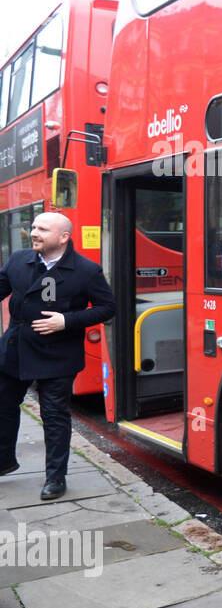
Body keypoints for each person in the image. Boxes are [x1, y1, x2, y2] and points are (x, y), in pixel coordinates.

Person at [0, 212, 116, 499]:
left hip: (58, 355)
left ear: (64, 237)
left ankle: (55, 478)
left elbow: (107, 307)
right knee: (3, 407)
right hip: (15, 347)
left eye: (42, 229)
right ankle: (3, 461)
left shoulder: (86, 270)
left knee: (54, 417)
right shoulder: (18, 260)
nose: (33, 232)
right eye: (33, 227)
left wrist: (66, 321)